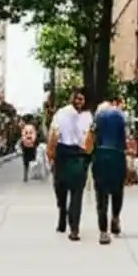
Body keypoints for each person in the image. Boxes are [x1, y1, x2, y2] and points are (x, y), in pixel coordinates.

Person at [47, 89, 93, 240]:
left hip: (79, 155)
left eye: (82, 99)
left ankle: (74, 228)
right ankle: (62, 214)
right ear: (71, 98)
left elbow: (90, 137)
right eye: (77, 98)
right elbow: (53, 135)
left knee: (76, 194)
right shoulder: (61, 114)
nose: (79, 102)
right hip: (63, 154)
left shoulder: (87, 117)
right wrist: (51, 154)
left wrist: (88, 156)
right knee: (60, 189)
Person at [87, 97, 129, 243]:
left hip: (101, 158)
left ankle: (103, 231)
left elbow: (90, 140)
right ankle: (115, 217)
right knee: (118, 192)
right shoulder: (120, 117)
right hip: (117, 157)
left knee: (101, 196)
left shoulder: (96, 119)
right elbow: (125, 142)